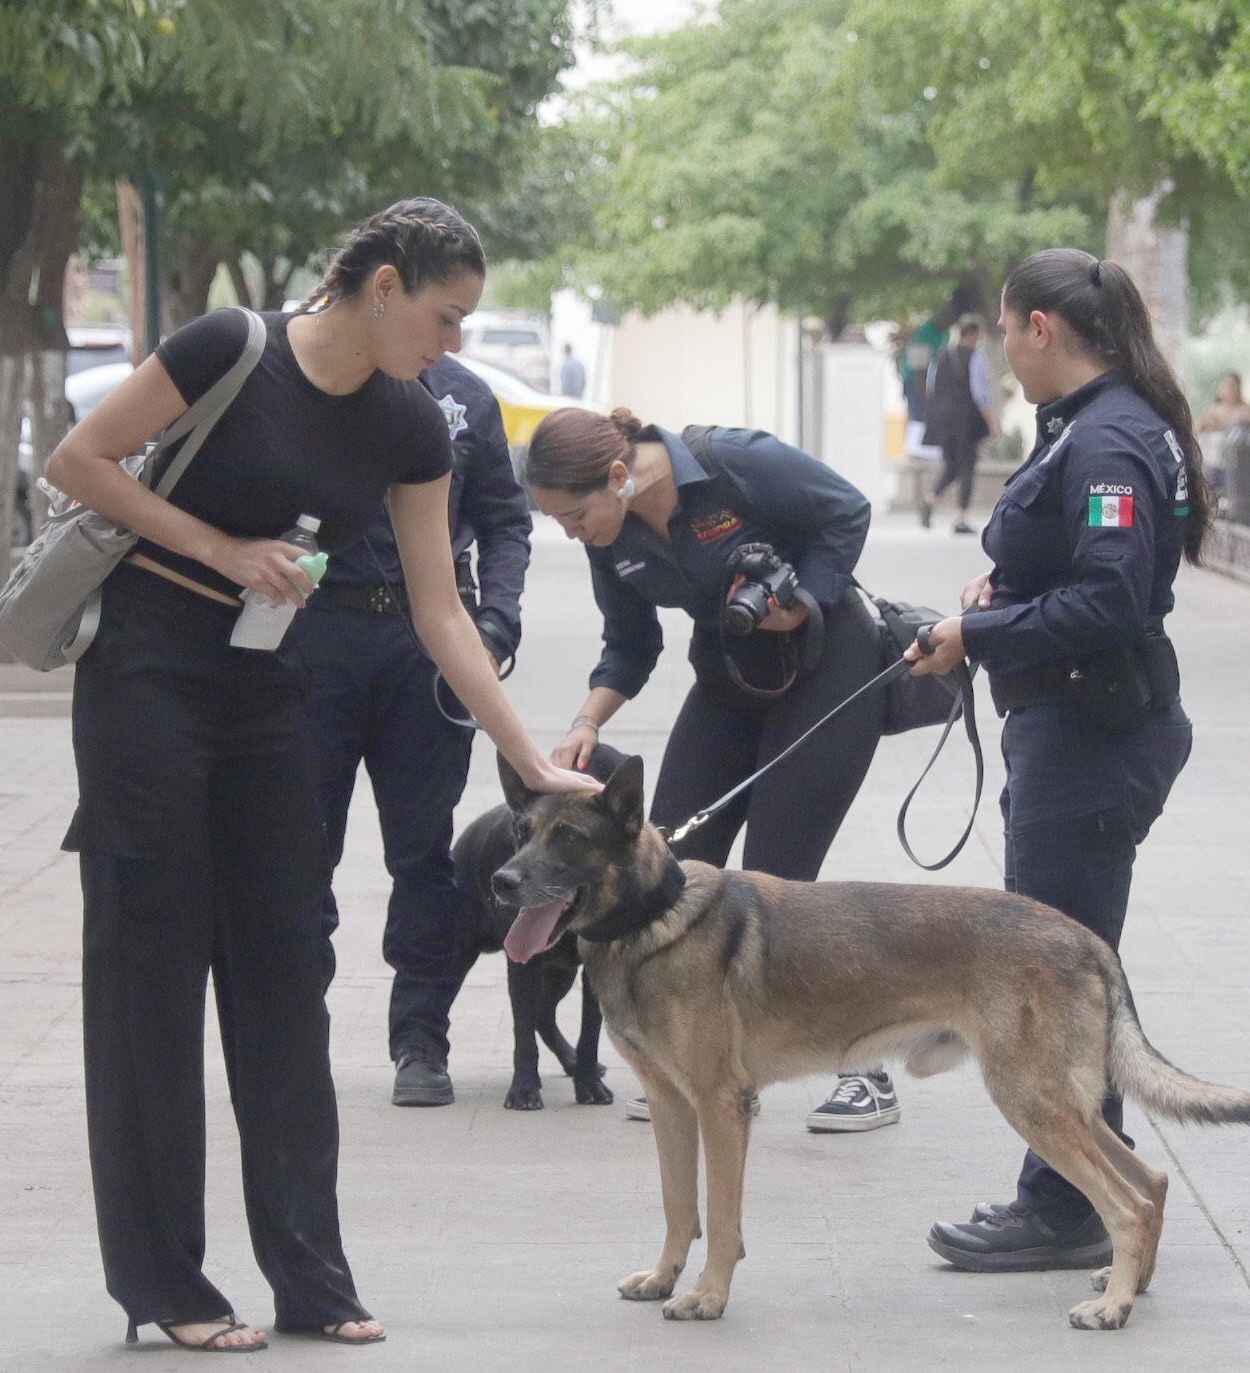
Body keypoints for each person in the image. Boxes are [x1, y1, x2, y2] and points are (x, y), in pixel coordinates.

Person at [44, 197, 597, 1353]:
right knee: (149, 963)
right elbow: (79, 460)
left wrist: (530, 755)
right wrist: (219, 547)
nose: (453, 346)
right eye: (445, 318)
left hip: (267, 691)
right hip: (147, 671)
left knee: (284, 967)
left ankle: (310, 1272)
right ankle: (166, 1280)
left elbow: (442, 607)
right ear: (384, 284)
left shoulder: (413, 422)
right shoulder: (228, 349)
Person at [907, 247, 1210, 1273]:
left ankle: (1063, 1202)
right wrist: (1000, 600)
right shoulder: (1097, 426)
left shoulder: (1109, 438)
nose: (1004, 352)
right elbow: (1077, 575)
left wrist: (978, 633)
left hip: (1091, 737)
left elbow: (1113, 598)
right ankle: (1078, 1188)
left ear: (1041, 327)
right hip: (1078, 725)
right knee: (1070, 967)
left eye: (1006, 331)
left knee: (1048, 977)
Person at [525, 406, 905, 1132]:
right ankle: (703, 1064)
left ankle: (865, 1069)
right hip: (731, 676)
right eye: (559, 522)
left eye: (575, 515)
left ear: (616, 475)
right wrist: (585, 723)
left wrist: (805, 600)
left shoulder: (733, 463)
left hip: (829, 665)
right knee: (668, 864)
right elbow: (630, 644)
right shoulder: (612, 534)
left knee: (781, 885)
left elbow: (846, 510)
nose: (573, 533)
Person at [290, 349, 533, 1109]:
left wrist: (493, 624)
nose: (447, 329)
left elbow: (504, 520)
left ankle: (421, 1041)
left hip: (427, 645)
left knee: (424, 854)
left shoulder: (463, 395)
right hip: (316, 634)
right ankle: (295, 1041)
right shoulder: (309, 377)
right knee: (300, 850)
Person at [921, 315, 1000, 535]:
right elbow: (980, 392)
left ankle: (930, 499)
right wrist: (991, 422)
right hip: (966, 421)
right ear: (974, 334)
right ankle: (961, 517)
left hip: (943, 421)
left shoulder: (942, 354)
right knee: (967, 468)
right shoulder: (976, 357)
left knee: (951, 465)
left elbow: (931, 386)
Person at [1194, 370, 1250, 437]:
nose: (1229, 389)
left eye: (1232, 385)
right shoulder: (1214, 410)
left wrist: (1222, 425)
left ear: (1239, 388)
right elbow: (1200, 427)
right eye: (1225, 385)